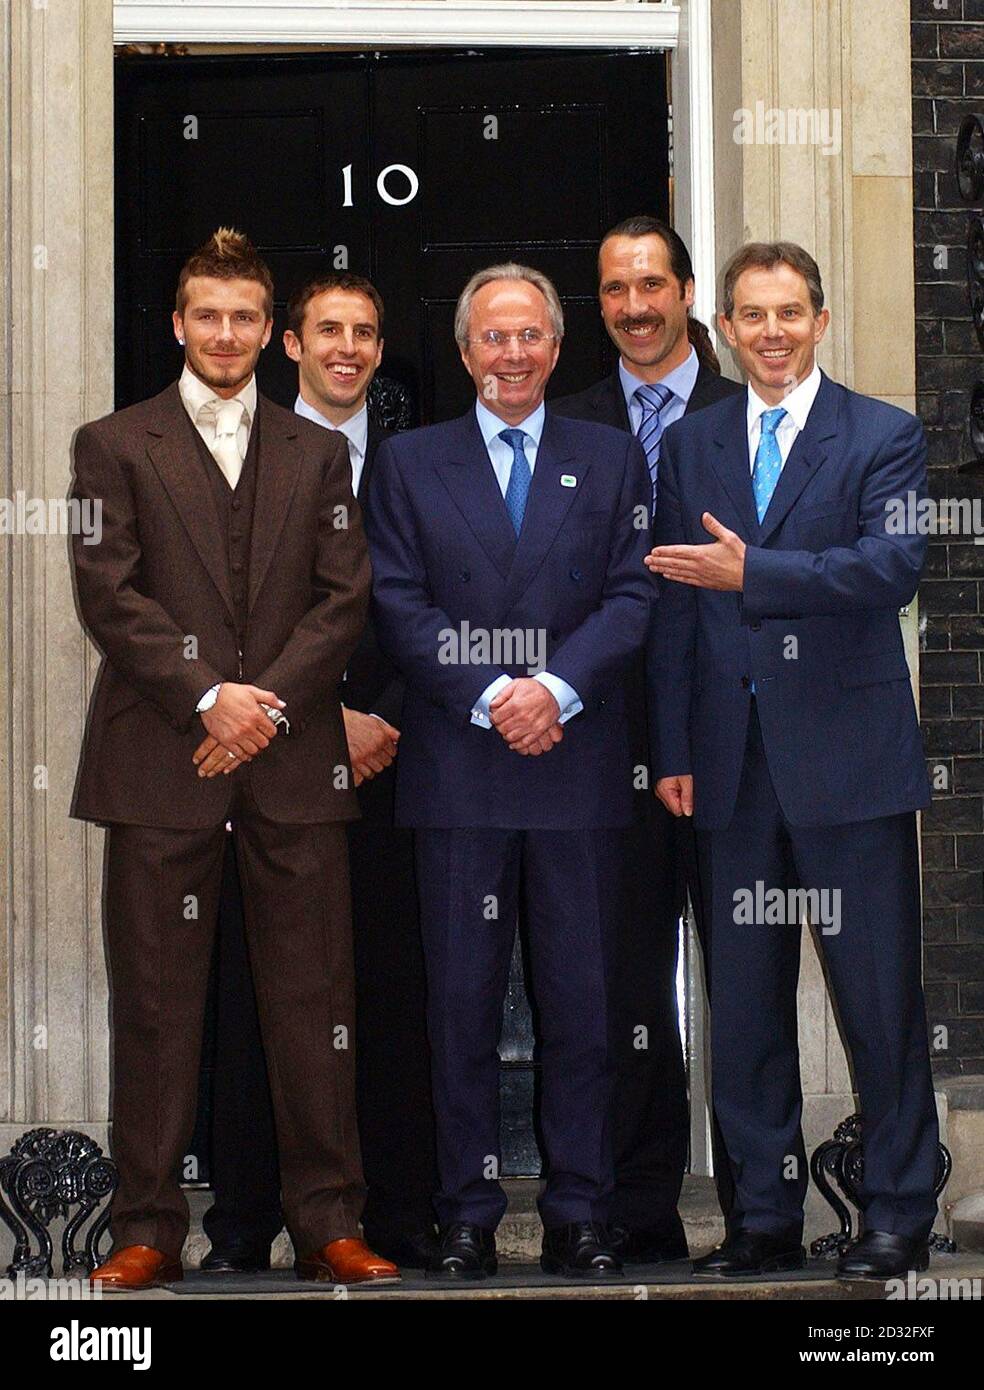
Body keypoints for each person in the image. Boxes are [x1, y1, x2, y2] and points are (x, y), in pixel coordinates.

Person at [71, 227, 397, 1289]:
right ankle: (146, 1229)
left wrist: (264, 710)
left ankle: (330, 1223)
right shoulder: (110, 444)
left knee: (315, 1006)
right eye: (207, 315)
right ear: (178, 324)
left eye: (244, 317)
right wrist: (210, 700)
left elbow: (343, 598)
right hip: (162, 762)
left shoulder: (319, 453)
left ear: (270, 332)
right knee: (155, 1008)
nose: (225, 333)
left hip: (294, 767)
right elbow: (108, 593)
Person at [647, 240, 940, 1281]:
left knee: (878, 1004)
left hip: (850, 770)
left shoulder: (884, 435)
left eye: (789, 313)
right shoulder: (692, 442)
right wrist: (672, 747)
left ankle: (897, 1214)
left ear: (820, 320)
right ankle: (762, 1217)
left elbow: (892, 565)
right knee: (746, 1008)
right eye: (751, 315)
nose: (771, 333)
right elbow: (675, 604)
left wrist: (755, 573)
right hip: (728, 771)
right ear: (724, 328)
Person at [368, 262, 652, 1279]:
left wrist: (555, 690)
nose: (514, 353)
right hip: (461, 767)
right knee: (461, 1007)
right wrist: (496, 693)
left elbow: (633, 593)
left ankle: (580, 1213)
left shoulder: (611, 457)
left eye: (531, 335)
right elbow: (396, 601)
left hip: (575, 763)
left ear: (557, 347)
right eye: (495, 336)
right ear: (464, 351)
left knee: (583, 1006)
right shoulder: (409, 463)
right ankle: (467, 1214)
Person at [201, 272, 439, 1273]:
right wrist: (314, 720)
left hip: (393, 757)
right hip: (270, 755)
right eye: (328, 330)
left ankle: (397, 1216)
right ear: (289, 344)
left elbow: (450, 598)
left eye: (366, 332)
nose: (348, 347)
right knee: (257, 988)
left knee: (385, 985)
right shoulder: (235, 450)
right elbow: (219, 608)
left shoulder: (422, 459)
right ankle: (244, 1222)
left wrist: (386, 716)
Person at [552, 214, 741, 1260]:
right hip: (602, 749)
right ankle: (640, 1209)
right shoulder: (565, 421)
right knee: (625, 989)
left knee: (743, 978)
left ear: (686, 291)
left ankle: (760, 1214)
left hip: (733, 745)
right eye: (616, 289)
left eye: (651, 285)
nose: (634, 306)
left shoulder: (746, 412)